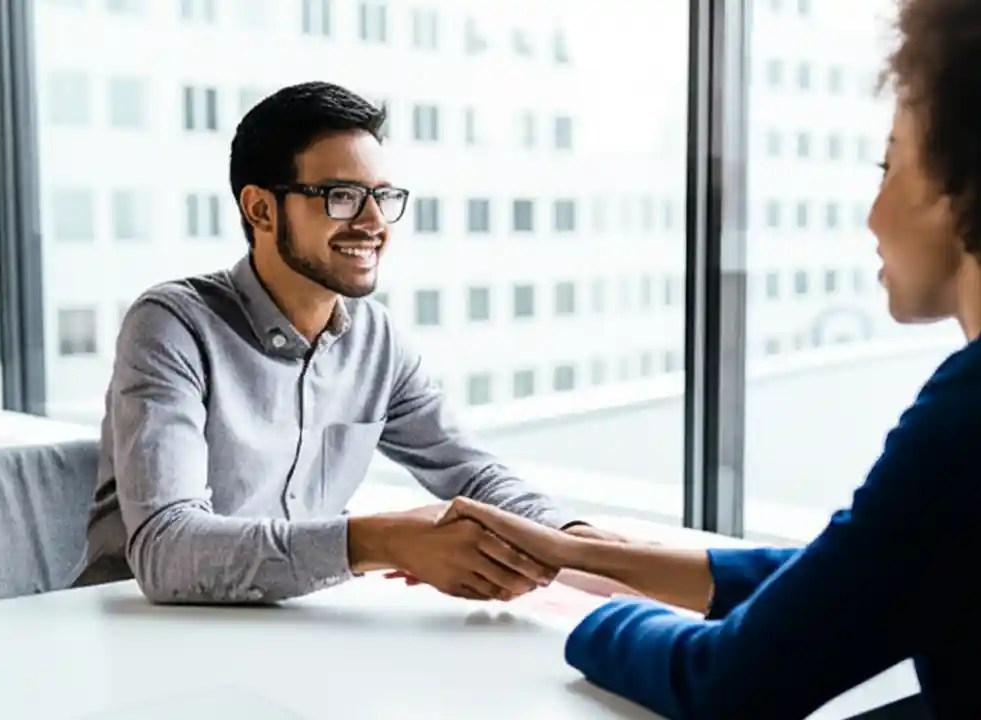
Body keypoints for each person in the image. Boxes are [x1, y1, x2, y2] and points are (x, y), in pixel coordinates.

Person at [438, 0, 981, 717]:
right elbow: (867, 575)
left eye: (888, 165)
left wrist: (576, 620)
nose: (871, 214)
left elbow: (725, 682)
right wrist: (589, 555)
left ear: (958, 179)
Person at [70, 82, 624, 604]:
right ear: (261, 208)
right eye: (341, 196)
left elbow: (472, 475)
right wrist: (379, 542)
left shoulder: (376, 339)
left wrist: (582, 544)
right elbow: (168, 551)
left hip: (287, 631)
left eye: (383, 198)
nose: (374, 222)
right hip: (138, 640)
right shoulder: (172, 325)